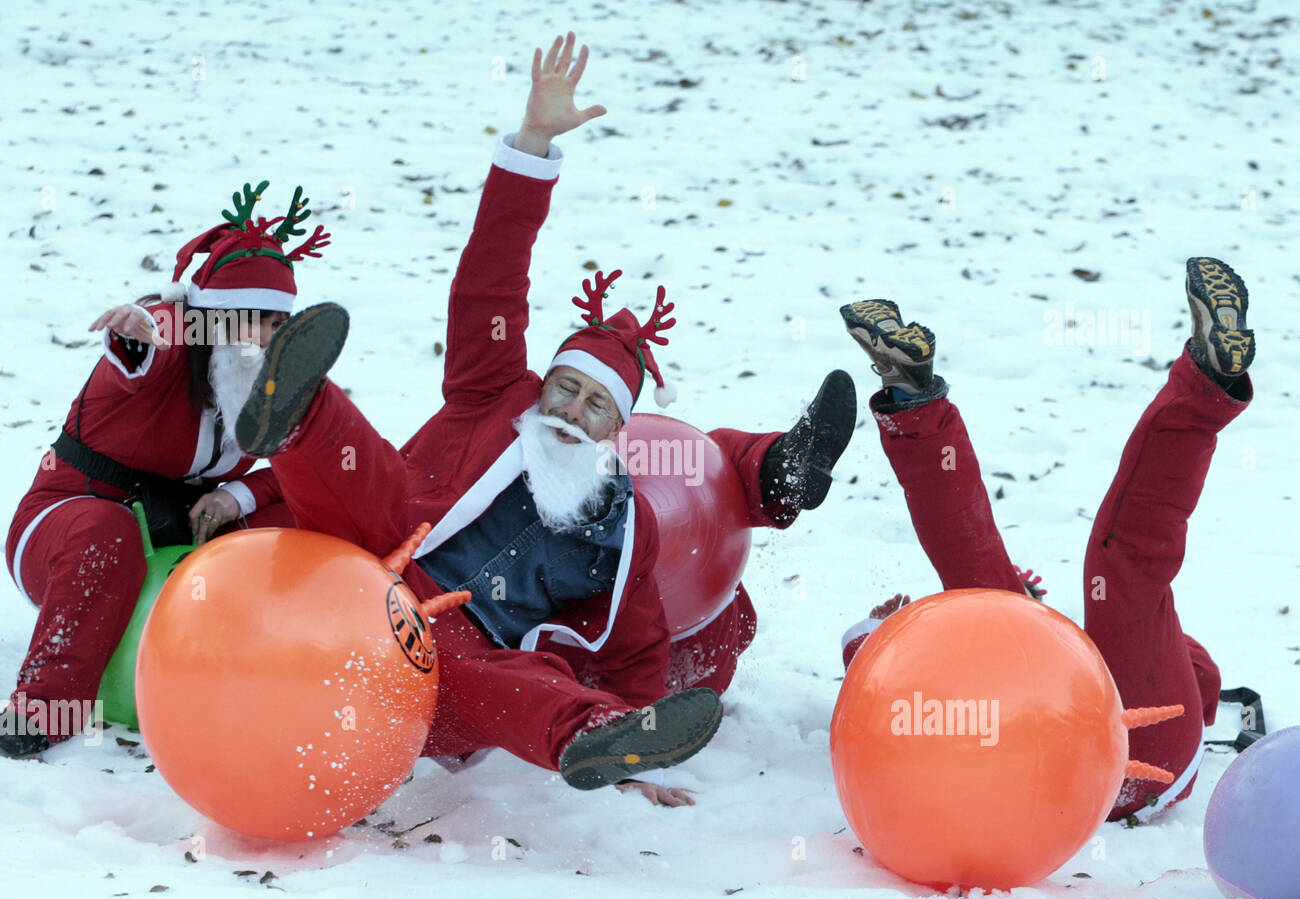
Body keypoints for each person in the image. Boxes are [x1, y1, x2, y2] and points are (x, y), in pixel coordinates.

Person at [222, 33, 856, 802]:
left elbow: (633, 640)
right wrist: (532, 148)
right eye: (562, 387)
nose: (567, 410)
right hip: (368, 555)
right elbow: (489, 285)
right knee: (374, 482)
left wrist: (638, 729)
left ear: (616, 432)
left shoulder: (620, 524)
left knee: (497, 677)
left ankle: (592, 739)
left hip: (445, 645)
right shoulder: (495, 391)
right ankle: (293, 408)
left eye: (593, 405)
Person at [837, 256, 1255, 822]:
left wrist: (876, 638)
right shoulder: (956, 652)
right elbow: (1202, 678)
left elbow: (883, 708)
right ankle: (913, 399)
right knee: (1103, 566)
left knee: (1024, 588)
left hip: (1044, 752)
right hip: (1136, 753)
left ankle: (912, 398)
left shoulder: (947, 662)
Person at [1, 185, 328, 757]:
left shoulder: (274, 382)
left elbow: (311, 468)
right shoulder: (171, 342)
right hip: (65, 529)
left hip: (178, 532)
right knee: (108, 530)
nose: (260, 336)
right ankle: (45, 703)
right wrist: (136, 329)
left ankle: (271, 671)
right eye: (245, 318)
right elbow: (147, 343)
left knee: (303, 514)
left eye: (275, 322)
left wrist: (238, 498)